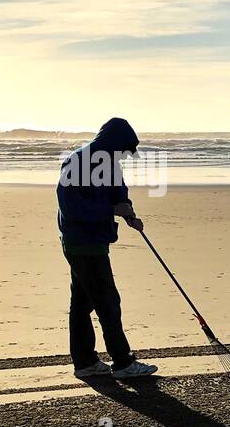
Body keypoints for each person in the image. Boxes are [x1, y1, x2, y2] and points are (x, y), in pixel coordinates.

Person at [56, 117, 159, 379]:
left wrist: (128, 214)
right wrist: (112, 210)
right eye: (125, 149)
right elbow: (71, 208)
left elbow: (118, 193)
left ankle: (85, 363)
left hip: (95, 241)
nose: (127, 155)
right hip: (81, 242)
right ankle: (123, 363)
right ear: (112, 143)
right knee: (107, 301)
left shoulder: (109, 163)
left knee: (82, 302)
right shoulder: (77, 162)